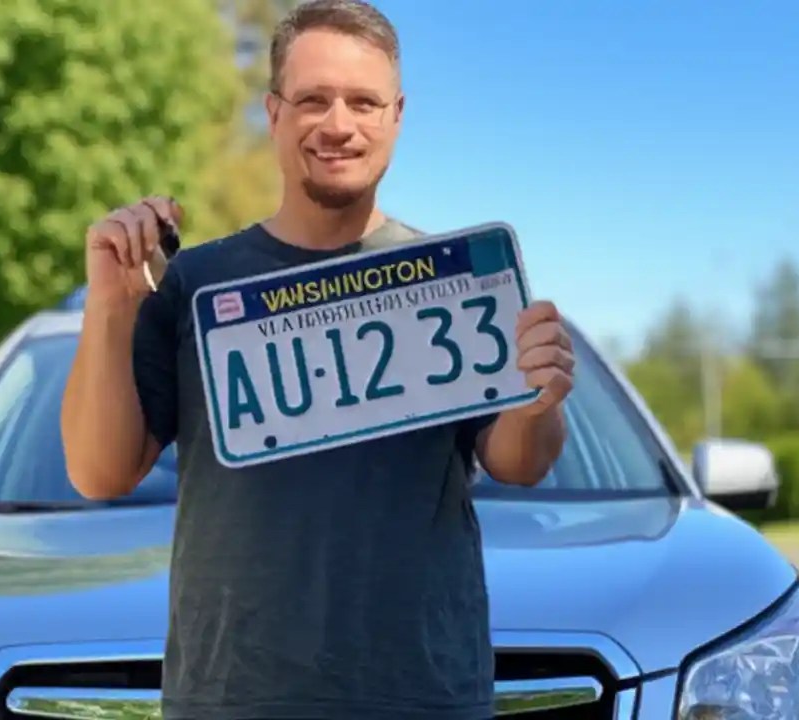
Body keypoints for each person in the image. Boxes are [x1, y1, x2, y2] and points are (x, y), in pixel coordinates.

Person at [60, 1, 575, 717]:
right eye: (313, 101)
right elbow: (99, 472)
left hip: (422, 697)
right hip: (233, 698)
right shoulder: (193, 285)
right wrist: (110, 308)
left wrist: (539, 398)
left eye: (364, 102)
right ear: (274, 113)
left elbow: (519, 461)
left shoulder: (455, 280)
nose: (339, 125)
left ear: (397, 116)